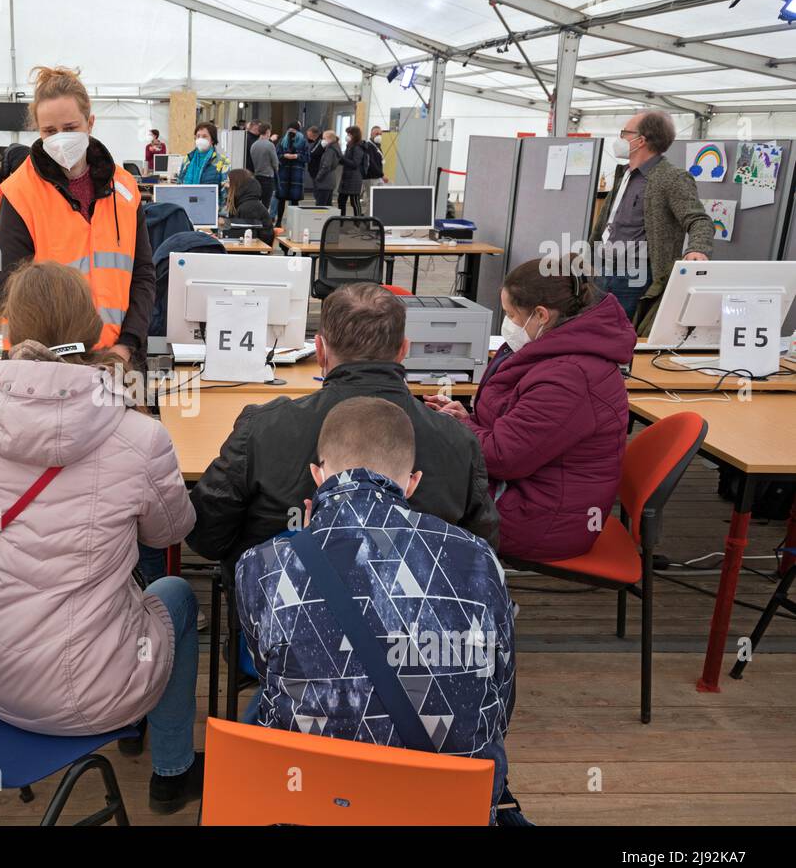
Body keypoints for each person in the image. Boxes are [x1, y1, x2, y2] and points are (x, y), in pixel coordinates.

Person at [0, 261, 203, 814]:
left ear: (10, 330)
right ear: (93, 331)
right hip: (87, 690)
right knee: (174, 596)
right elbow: (171, 533)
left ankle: (138, 715)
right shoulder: (140, 436)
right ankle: (172, 769)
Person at [236, 396, 515, 819]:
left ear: (317, 475)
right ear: (412, 482)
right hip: (449, 806)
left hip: (312, 802)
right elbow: (502, 693)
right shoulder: (478, 556)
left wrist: (307, 556)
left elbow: (266, 664)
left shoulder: (260, 565)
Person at [189, 281, 499, 572]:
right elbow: (480, 549)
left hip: (275, 612)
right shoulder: (459, 440)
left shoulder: (262, 427)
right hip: (416, 617)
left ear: (320, 350)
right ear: (404, 350)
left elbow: (207, 536)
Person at [424, 258, 634, 562]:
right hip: (545, 499)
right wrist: (467, 421)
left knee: (417, 487)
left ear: (541, 315)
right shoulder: (559, 353)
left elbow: (503, 456)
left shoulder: (569, 378)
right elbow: (519, 429)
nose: (507, 324)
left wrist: (459, 428)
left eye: (510, 314)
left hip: (543, 520)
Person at [0, 66, 155, 362]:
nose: (60, 139)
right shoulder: (20, 194)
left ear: (90, 123)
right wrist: (52, 357)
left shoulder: (125, 189)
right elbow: (8, 290)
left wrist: (127, 345)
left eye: (70, 129)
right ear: (38, 131)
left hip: (117, 357)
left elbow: (143, 275)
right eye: (49, 131)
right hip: (44, 362)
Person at [589, 109, 712, 330]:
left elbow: (699, 220)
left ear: (641, 140)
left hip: (632, 275)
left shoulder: (672, 178)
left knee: (617, 336)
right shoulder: (625, 173)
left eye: (624, 133)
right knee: (594, 332)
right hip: (603, 269)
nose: (620, 139)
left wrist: (698, 248)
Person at [177, 120, 230, 208]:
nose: (200, 139)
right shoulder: (188, 159)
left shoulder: (222, 161)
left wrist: (222, 215)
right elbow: (179, 183)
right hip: (186, 206)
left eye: (204, 136)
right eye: (198, 136)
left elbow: (225, 191)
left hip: (211, 209)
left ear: (212, 140)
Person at [224, 167, 273, 245]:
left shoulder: (249, 207)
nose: (225, 185)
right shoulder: (244, 203)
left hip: (256, 252)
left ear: (238, 185)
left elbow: (244, 235)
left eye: (229, 182)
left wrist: (225, 223)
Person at [274, 121, 307, 226]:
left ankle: (294, 222)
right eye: (290, 130)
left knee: (295, 200)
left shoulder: (303, 142)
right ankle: (279, 221)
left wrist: (297, 156)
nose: (291, 132)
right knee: (281, 199)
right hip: (284, 173)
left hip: (296, 174)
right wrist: (284, 156)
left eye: (294, 130)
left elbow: (307, 157)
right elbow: (277, 154)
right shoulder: (282, 141)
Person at [249, 121, 279, 210]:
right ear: (268, 131)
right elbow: (275, 163)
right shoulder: (270, 145)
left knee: (257, 201)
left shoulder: (253, 145)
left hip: (257, 176)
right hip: (268, 177)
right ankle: (264, 222)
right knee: (266, 203)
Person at [337, 125, 365, 215]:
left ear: (354, 135)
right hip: (346, 178)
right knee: (341, 200)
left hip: (354, 178)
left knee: (354, 202)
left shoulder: (358, 147)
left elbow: (355, 163)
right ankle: (341, 220)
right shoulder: (349, 146)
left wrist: (342, 158)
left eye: (349, 134)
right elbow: (346, 160)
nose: (347, 136)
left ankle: (357, 222)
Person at [360, 125, 388, 213]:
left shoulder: (377, 146)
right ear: (371, 134)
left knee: (378, 198)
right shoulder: (368, 146)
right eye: (376, 133)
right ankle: (368, 219)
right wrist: (382, 175)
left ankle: (372, 216)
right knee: (371, 199)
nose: (379, 136)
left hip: (377, 176)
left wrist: (381, 175)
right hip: (371, 177)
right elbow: (371, 163)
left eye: (380, 134)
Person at [311, 129, 343, 207]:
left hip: (324, 181)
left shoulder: (330, 150)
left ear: (329, 139)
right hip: (330, 180)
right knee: (328, 205)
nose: (322, 140)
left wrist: (318, 177)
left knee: (320, 206)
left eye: (324, 138)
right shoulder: (336, 148)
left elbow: (326, 166)